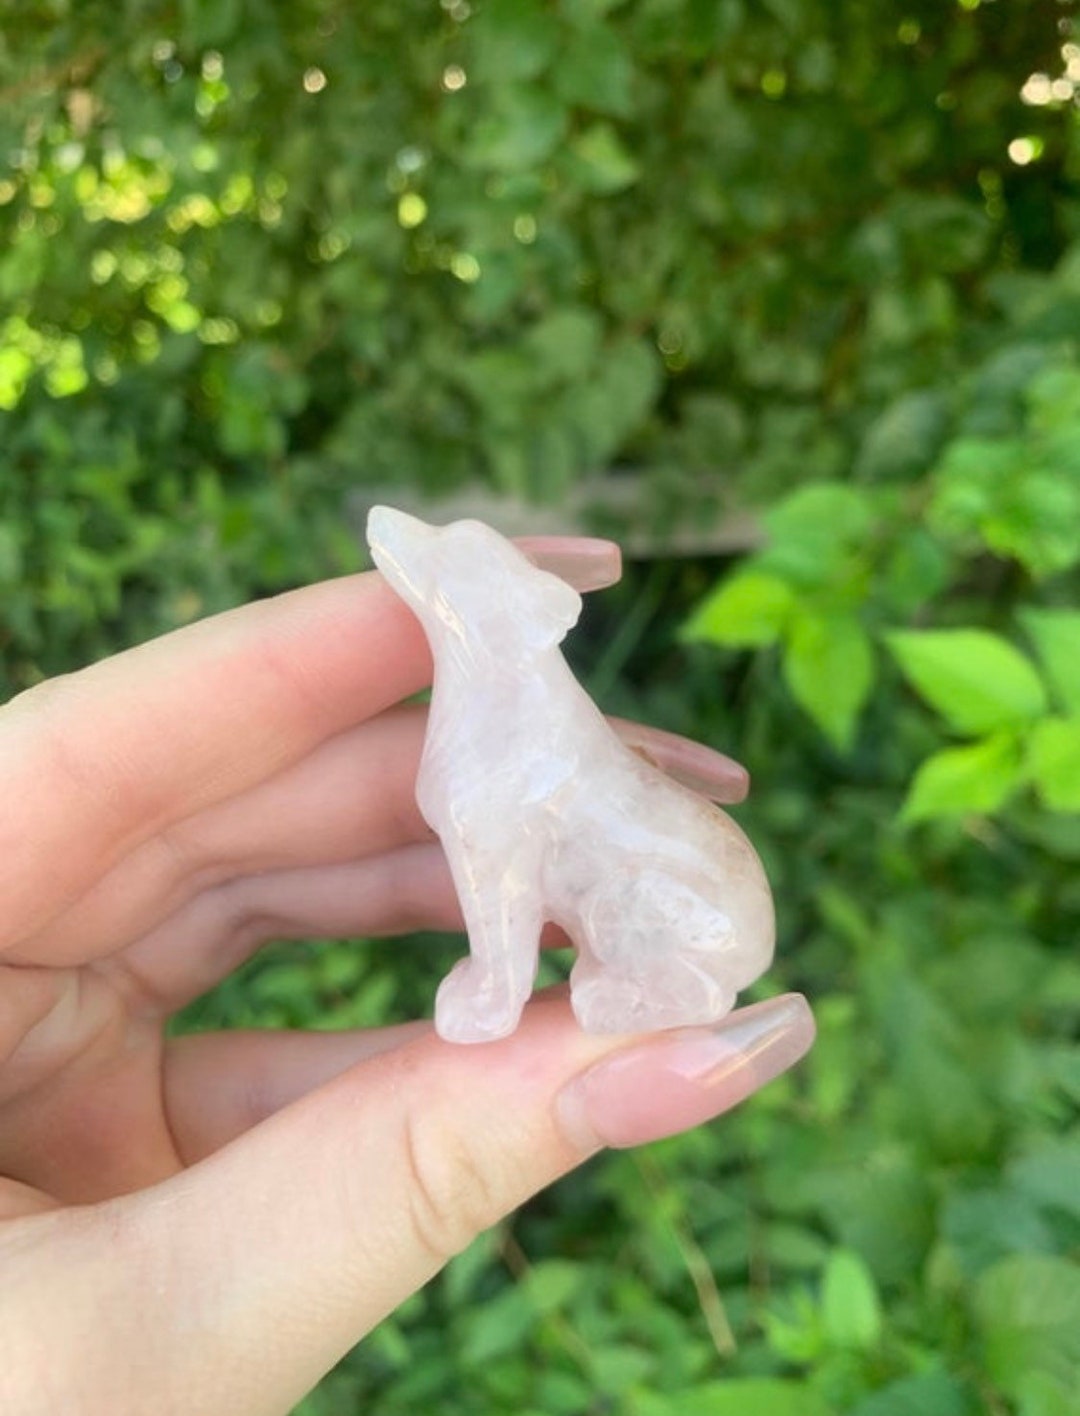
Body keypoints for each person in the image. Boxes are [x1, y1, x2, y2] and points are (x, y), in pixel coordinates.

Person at [0, 538, 814, 1414]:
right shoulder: (509, 731)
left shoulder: (528, 744)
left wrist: (499, 988)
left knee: (584, 899)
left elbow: (502, 867)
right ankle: (523, 985)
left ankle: (615, 982)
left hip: (695, 929)